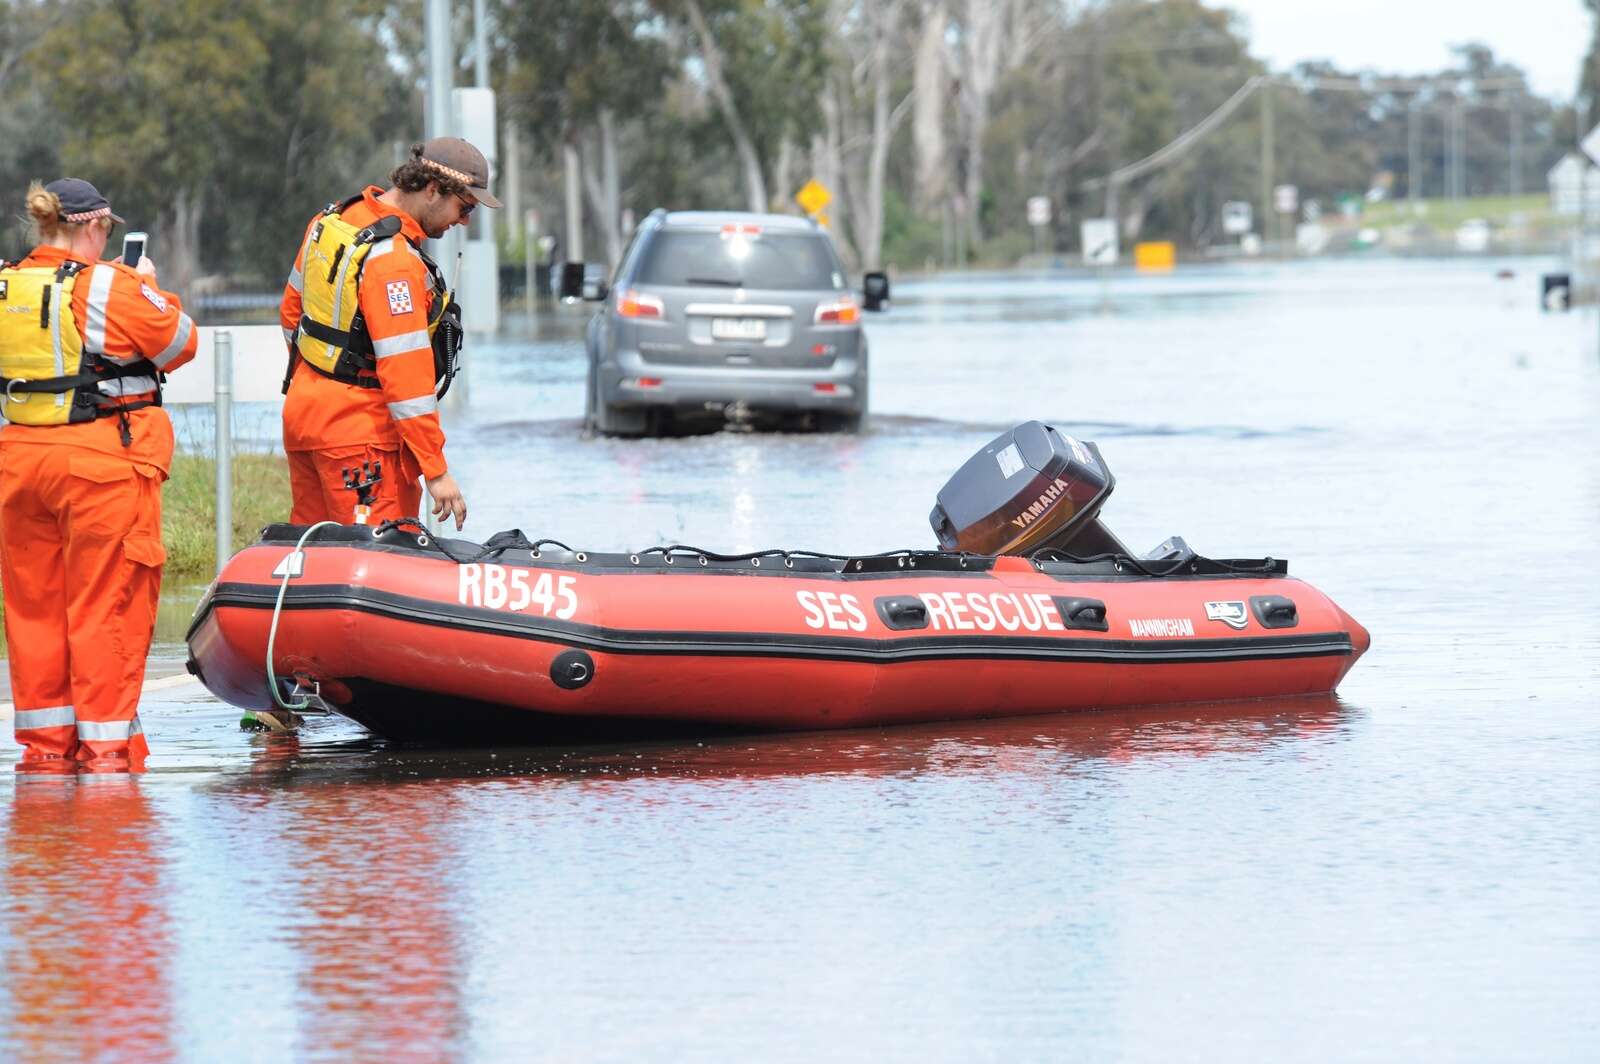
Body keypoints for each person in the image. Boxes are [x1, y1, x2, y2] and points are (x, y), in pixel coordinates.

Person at [0, 178, 198, 773]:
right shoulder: (112, 286)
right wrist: (146, 283)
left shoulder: (6, 283)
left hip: (17, 463)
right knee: (106, 606)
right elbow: (180, 344)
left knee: (34, 610)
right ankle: (108, 756)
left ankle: (46, 753)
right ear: (94, 227)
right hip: (100, 467)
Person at [279, 137, 500, 530]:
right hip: (360, 439)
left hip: (304, 420)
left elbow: (292, 315)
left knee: (315, 551)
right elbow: (407, 381)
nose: (464, 221)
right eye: (464, 207)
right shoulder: (393, 263)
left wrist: (325, 378)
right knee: (377, 561)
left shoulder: (330, 222)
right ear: (432, 190)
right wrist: (436, 471)